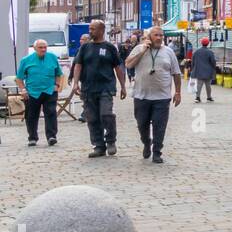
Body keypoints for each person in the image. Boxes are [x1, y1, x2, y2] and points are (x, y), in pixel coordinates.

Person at [125, 26, 183, 163]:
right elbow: (128, 65)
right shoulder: (139, 49)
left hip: (162, 97)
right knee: (141, 124)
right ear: (149, 37)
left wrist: (178, 92)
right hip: (141, 96)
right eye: (156, 35)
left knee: (159, 125)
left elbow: (176, 73)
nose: (159, 38)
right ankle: (146, 143)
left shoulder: (169, 52)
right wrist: (142, 51)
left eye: (161, 35)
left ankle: (157, 152)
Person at [70, 19, 127, 158]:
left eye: (93, 29)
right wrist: (75, 83)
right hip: (88, 88)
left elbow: (118, 67)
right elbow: (78, 65)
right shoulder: (84, 47)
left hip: (106, 86)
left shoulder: (109, 47)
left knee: (106, 114)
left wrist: (123, 86)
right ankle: (98, 146)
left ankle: (111, 141)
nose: (90, 31)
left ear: (101, 30)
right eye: (90, 29)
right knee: (92, 118)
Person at [16, 39, 63, 146]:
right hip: (32, 92)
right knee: (31, 115)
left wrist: (57, 85)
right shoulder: (26, 60)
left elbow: (58, 73)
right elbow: (19, 78)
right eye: (41, 47)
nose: (43, 49)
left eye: (45, 47)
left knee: (51, 113)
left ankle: (51, 136)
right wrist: (23, 89)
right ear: (34, 48)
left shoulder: (52, 57)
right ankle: (32, 137)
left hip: (49, 90)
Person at [191, 37, 217, 102]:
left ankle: (197, 97)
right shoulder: (210, 52)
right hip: (208, 71)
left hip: (199, 71)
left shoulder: (196, 52)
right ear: (208, 44)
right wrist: (214, 67)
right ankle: (209, 97)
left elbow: (193, 62)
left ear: (201, 43)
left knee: (199, 85)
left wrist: (193, 68)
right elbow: (213, 61)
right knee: (208, 85)